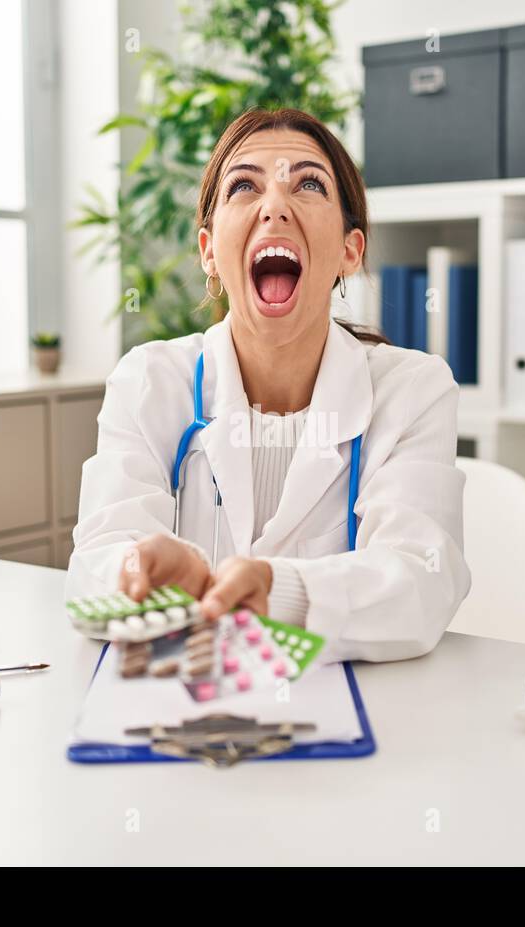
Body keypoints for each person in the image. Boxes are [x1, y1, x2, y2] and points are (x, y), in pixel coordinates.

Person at [65, 107, 469, 661]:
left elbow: (421, 581)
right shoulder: (150, 381)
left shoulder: (413, 391)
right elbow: (94, 566)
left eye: (307, 184)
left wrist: (280, 592)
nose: (275, 206)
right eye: (244, 186)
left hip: (355, 713)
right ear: (209, 250)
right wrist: (139, 574)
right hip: (185, 702)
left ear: (350, 251)